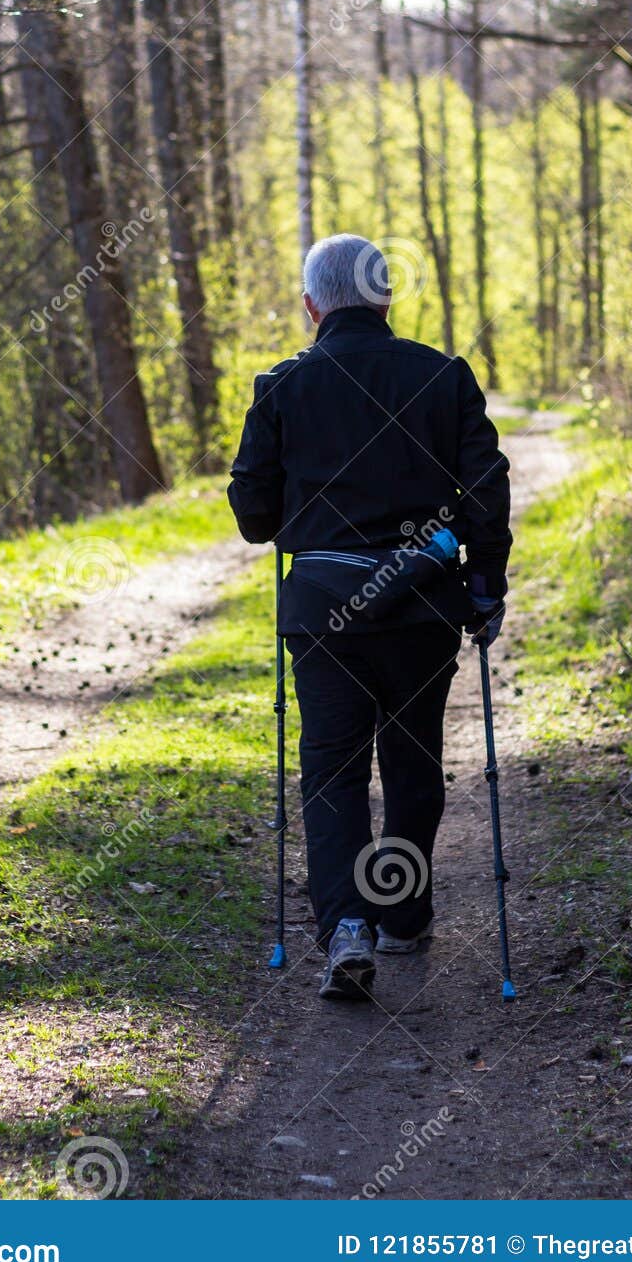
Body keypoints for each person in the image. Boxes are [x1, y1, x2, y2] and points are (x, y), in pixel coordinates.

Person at [227, 233, 511, 1001]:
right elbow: (485, 487)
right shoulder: (443, 376)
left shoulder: (283, 386)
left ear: (311, 304)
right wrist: (484, 585)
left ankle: (346, 925)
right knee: (412, 760)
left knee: (331, 772)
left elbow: (253, 517)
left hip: (323, 613)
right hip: (420, 605)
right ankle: (401, 914)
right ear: (385, 297)